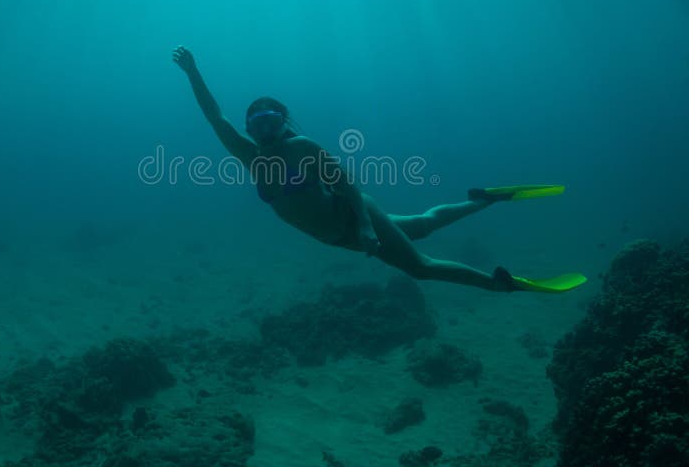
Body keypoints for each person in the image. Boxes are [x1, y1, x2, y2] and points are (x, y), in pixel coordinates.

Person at [172, 45, 584, 293]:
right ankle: (486, 200)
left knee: (420, 267)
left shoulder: (301, 148)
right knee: (421, 224)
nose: (265, 130)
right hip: (339, 236)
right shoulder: (248, 156)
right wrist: (193, 72)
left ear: (284, 123)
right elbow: (214, 115)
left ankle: (500, 284)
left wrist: (368, 227)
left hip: (355, 219)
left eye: (272, 121)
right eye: (257, 124)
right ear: (248, 128)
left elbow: (346, 183)